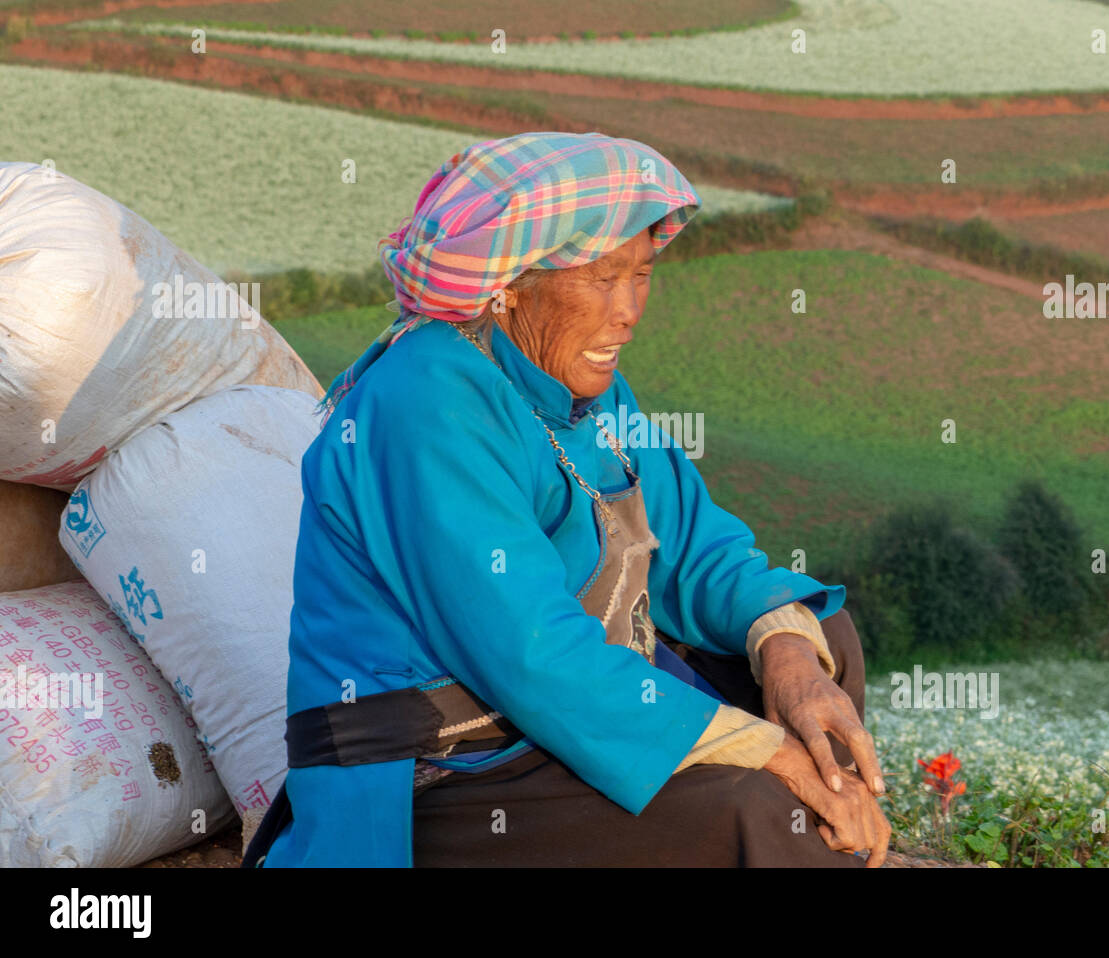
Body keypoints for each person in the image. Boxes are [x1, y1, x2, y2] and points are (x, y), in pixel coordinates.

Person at [243, 131, 890, 868]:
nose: (629, 311)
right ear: (509, 284)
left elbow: (701, 552)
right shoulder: (425, 400)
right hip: (444, 770)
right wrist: (768, 753)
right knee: (756, 807)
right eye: (601, 278)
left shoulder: (591, 388)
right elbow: (533, 655)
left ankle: (830, 811)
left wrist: (788, 658)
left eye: (642, 274)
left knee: (822, 644)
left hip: (557, 725)